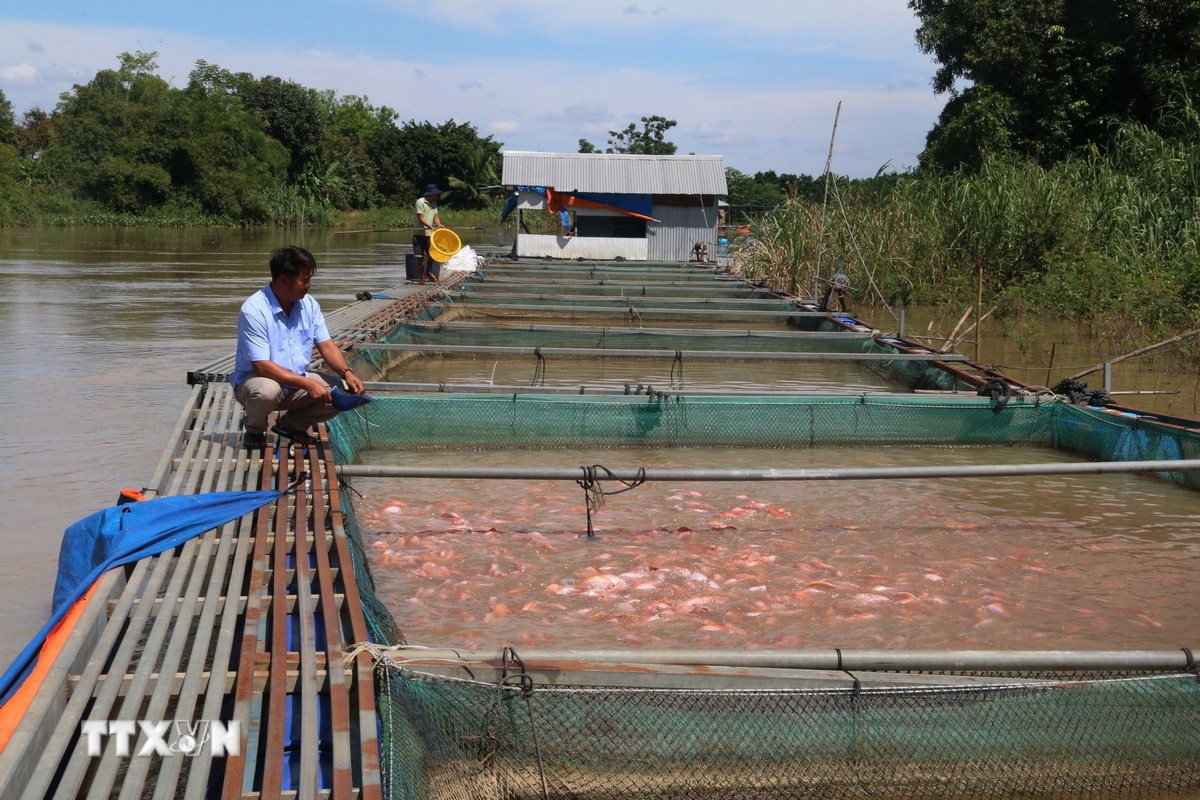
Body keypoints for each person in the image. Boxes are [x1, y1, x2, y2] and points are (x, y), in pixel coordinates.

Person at [231, 245, 366, 449]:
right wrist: (308, 384)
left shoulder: (309, 305)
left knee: (346, 393)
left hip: (295, 381)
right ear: (284, 280)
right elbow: (261, 367)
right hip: (257, 382)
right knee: (267, 391)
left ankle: (293, 424)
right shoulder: (254, 309)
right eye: (304, 280)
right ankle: (254, 429)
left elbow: (327, 346)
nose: (308, 286)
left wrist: (347, 373)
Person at [413, 184, 444, 284]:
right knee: (420, 257)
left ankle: (428, 271)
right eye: (435, 194)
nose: (436, 196)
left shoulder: (434, 203)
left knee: (432, 255)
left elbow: (436, 217)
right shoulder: (420, 202)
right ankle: (422, 277)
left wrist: (439, 224)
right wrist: (430, 226)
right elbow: (420, 217)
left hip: (429, 235)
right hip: (419, 234)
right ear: (430, 194)